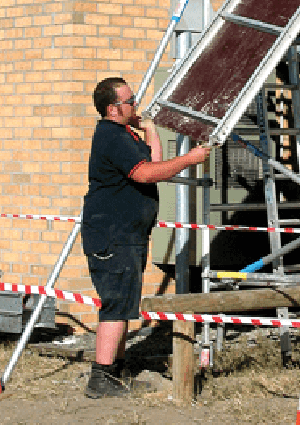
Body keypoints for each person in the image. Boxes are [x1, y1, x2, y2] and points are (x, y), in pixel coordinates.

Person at [81, 76, 211, 399]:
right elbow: (145, 173)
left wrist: (151, 130)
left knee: (125, 304)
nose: (135, 105)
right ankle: (101, 378)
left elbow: (151, 160)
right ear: (113, 109)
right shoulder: (110, 136)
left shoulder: (125, 133)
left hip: (128, 235)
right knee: (114, 306)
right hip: (113, 235)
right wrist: (188, 160)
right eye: (129, 101)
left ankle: (116, 372)